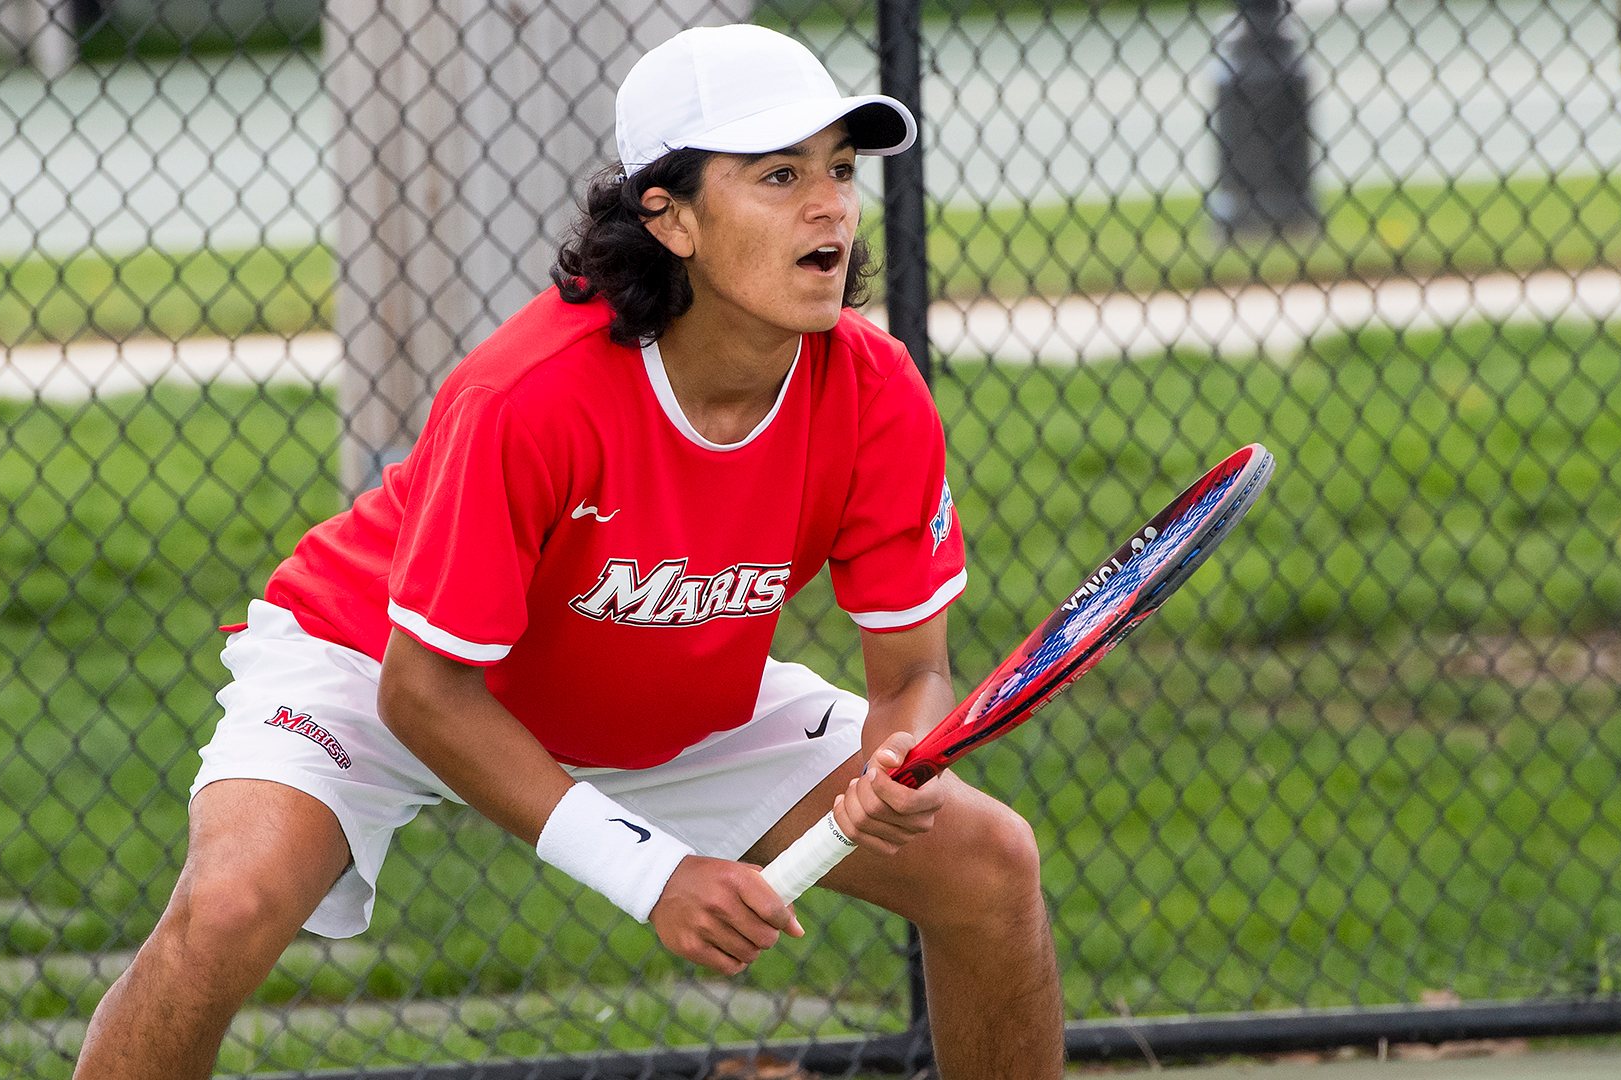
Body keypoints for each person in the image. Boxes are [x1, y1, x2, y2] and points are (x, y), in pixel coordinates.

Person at [74, 23, 1062, 1080]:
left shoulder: (874, 391)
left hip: (660, 704)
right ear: (669, 215)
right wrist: (652, 875)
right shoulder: (531, 396)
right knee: (225, 909)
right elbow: (425, 691)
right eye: (779, 174)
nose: (829, 206)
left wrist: (894, 761)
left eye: (840, 168)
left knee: (989, 864)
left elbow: (911, 673)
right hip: (383, 665)